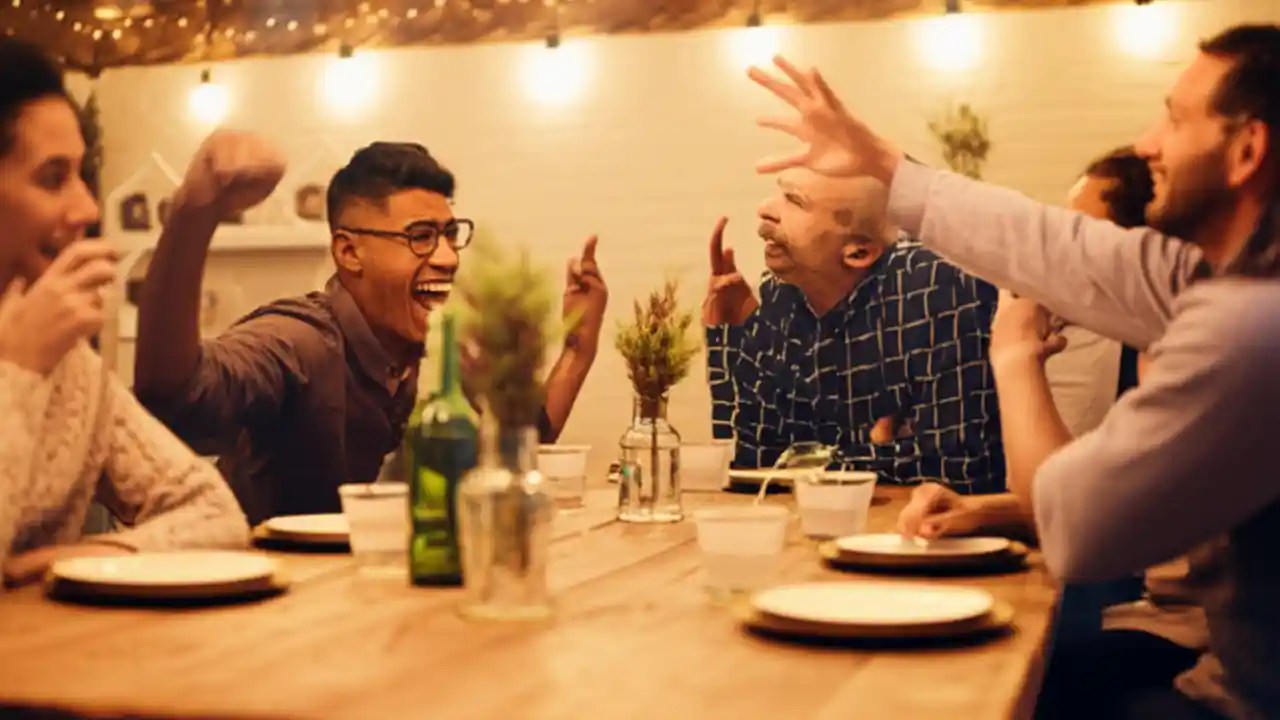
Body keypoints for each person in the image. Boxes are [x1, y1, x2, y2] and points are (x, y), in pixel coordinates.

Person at [748, 21, 1280, 720]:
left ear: (1247, 150)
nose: (1148, 142)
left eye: (1175, 119)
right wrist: (882, 162)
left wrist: (1013, 353)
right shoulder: (1221, 279)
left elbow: (1077, 530)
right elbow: (1055, 246)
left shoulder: (1252, 324)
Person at [134, 137, 608, 525]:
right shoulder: (298, 341)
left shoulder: (423, 352)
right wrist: (193, 213)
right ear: (349, 252)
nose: (447, 257)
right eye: (420, 236)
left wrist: (577, 349)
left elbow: (514, 451)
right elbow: (176, 398)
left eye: (449, 234)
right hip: (261, 618)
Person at [0, 39, 249, 587]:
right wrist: (15, 367)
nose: (88, 207)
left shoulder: (70, 366)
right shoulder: (39, 353)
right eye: (52, 177)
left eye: (81, 173)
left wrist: (82, 558)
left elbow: (212, 512)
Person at [704, 171, 1004, 492]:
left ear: (859, 252)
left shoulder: (936, 283)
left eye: (795, 201)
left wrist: (822, 461)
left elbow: (960, 469)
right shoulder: (781, 295)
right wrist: (736, 333)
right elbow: (757, 466)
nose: (765, 208)